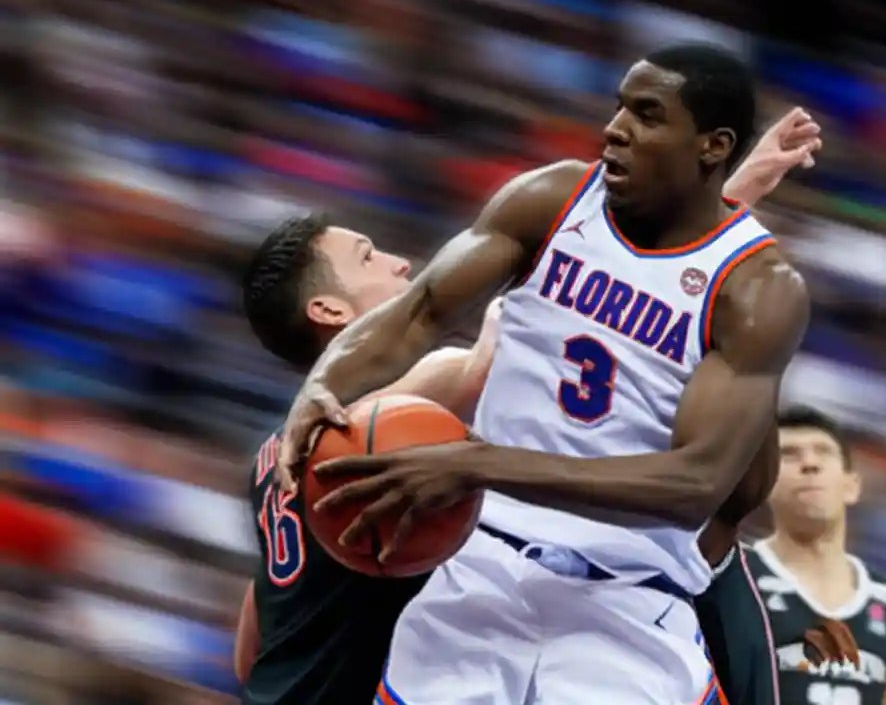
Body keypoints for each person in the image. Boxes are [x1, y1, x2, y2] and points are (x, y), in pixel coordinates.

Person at [236, 100, 828, 704]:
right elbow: (586, 319)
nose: (402, 261)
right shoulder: (399, 410)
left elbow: (251, 639)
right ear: (329, 312)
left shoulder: (277, 455)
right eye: (368, 257)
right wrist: (718, 208)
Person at [745, 406, 886, 705]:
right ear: (765, 484)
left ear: (851, 487)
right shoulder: (738, 575)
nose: (809, 463)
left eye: (823, 452)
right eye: (789, 455)